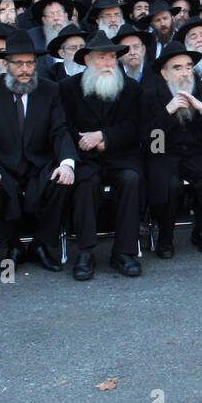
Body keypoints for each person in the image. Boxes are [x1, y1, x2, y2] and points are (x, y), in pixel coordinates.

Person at [0, 32, 77, 272]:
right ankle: (11, 245)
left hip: (39, 163)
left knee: (64, 181)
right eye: (18, 63)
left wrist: (67, 163)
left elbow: (60, 131)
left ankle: (41, 244)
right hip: (2, 163)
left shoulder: (49, 89)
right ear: (6, 64)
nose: (24, 69)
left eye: (30, 63)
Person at [60, 31, 145, 278]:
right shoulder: (67, 89)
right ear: (87, 60)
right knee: (87, 183)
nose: (108, 63)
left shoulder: (131, 88)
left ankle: (124, 253)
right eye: (102, 58)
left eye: (111, 57)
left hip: (121, 155)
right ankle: (85, 253)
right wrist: (87, 141)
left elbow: (137, 127)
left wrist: (104, 137)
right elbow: (62, 127)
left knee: (131, 179)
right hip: (85, 158)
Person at [139, 40, 202, 257]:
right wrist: (167, 113)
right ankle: (165, 238)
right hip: (163, 154)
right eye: (177, 68)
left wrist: (201, 110)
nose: (185, 73)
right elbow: (152, 144)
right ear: (165, 74)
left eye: (188, 67)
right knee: (170, 185)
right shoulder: (150, 96)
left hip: (197, 153)